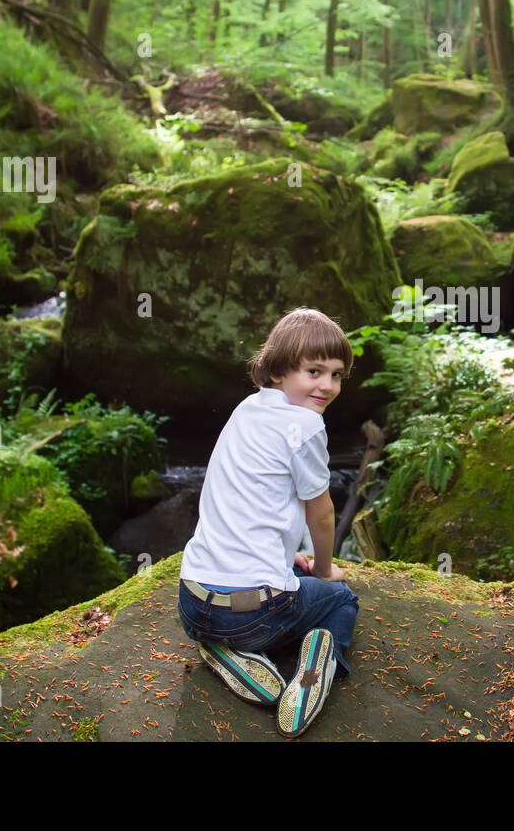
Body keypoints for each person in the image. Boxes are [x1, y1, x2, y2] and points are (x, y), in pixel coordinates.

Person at [178, 307, 359, 738]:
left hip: (192, 601)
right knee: (341, 600)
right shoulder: (306, 426)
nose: (328, 386)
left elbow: (254, 502)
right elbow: (321, 511)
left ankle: (225, 650)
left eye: (337, 375)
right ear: (278, 370)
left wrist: (283, 558)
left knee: (282, 579)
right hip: (255, 614)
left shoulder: (248, 408)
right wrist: (323, 568)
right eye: (314, 371)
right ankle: (314, 672)